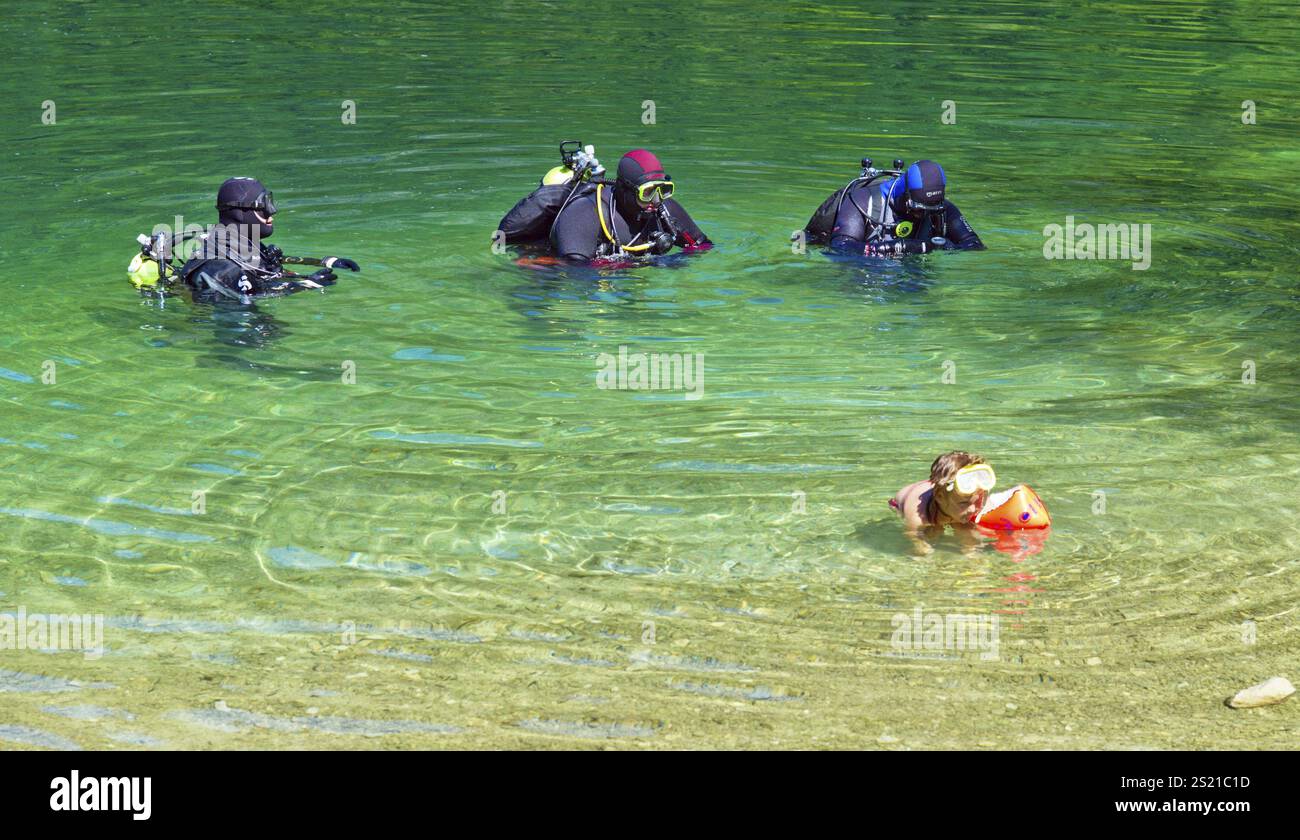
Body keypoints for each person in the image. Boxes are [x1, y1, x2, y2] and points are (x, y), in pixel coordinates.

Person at [498, 148, 712, 264]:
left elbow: (703, 247)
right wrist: (631, 265)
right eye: (647, 193)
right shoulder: (585, 213)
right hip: (550, 265)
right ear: (624, 189)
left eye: (663, 190)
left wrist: (675, 260)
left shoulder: (664, 210)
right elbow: (576, 274)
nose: (656, 201)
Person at [179, 178, 360, 303]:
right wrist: (307, 284)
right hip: (228, 324)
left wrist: (324, 261)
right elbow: (252, 292)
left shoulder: (243, 242)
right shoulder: (220, 265)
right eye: (264, 207)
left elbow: (266, 263)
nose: (272, 213)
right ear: (238, 213)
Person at [805, 159, 983, 256]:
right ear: (905, 196)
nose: (923, 216)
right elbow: (841, 247)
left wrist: (940, 246)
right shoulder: (861, 202)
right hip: (865, 273)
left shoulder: (939, 208)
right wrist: (898, 247)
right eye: (918, 209)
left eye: (931, 211)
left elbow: (975, 246)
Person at [890, 451, 996, 555]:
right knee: (932, 536)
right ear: (940, 496)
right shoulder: (918, 517)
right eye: (964, 503)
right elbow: (912, 534)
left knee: (968, 532)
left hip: (948, 503)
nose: (973, 509)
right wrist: (920, 545)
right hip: (901, 504)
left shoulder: (965, 502)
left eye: (978, 500)